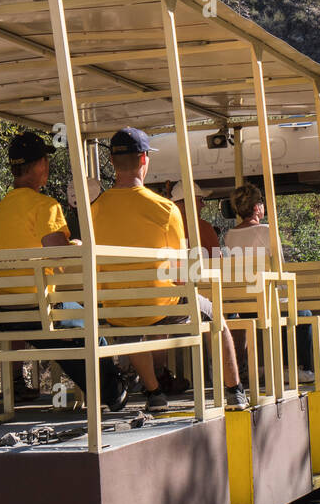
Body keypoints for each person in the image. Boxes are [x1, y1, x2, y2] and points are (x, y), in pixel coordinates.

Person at [91, 128, 248, 413]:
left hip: (116, 311)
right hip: (160, 307)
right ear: (144, 160)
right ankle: (235, 391)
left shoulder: (94, 210)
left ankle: (154, 393)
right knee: (216, 317)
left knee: (130, 324)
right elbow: (179, 275)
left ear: (112, 163)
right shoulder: (165, 210)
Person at [0, 131, 126, 411]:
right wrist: (74, 245)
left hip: (0, 313)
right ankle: (112, 388)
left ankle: (107, 389)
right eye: (45, 159)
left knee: (68, 327)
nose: (47, 165)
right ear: (38, 166)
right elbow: (59, 258)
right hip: (34, 308)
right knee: (86, 322)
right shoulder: (45, 206)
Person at [221, 181, 315, 384]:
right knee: (303, 314)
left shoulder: (229, 236)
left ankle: (283, 367)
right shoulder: (267, 231)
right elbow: (279, 269)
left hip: (245, 305)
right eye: (261, 202)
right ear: (256, 208)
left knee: (284, 308)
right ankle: (303, 369)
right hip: (268, 300)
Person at [171, 179, 219, 258]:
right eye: (200, 200)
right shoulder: (203, 227)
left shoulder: (164, 228)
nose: (203, 205)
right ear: (189, 201)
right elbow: (216, 260)